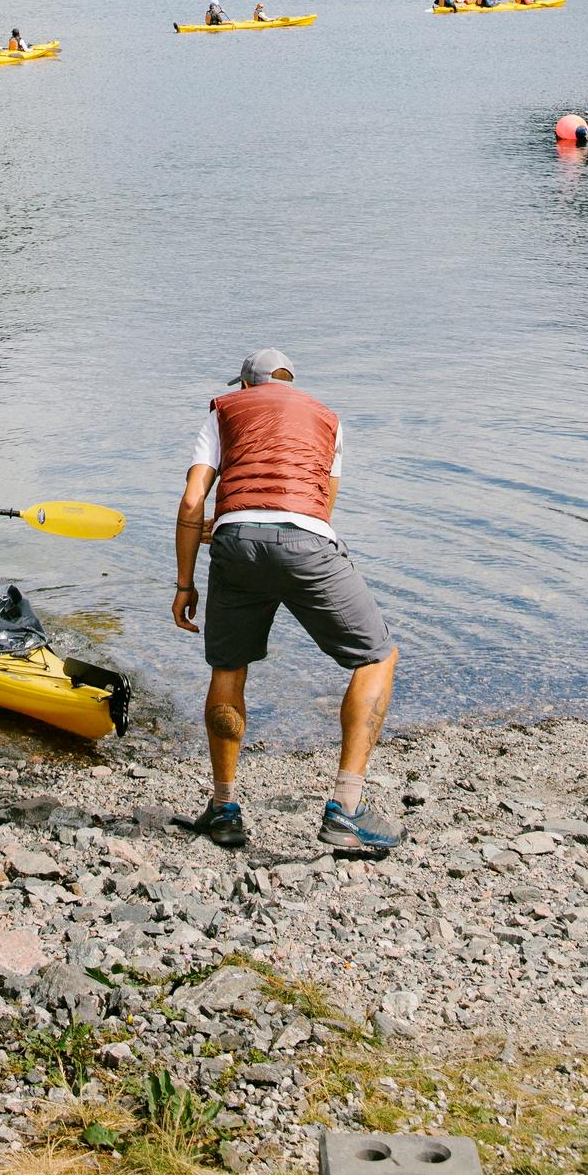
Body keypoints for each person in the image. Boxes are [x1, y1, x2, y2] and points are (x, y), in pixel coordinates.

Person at [172, 348, 402, 858]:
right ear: (290, 384)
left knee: (228, 667)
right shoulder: (328, 420)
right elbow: (321, 507)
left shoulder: (224, 410)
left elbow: (192, 501)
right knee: (377, 657)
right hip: (306, 541)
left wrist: (185, 583)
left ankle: (224, 808)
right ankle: (346, 807)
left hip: (234, 539)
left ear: (245, 386)